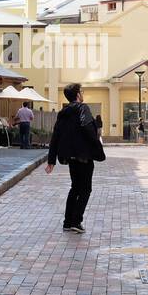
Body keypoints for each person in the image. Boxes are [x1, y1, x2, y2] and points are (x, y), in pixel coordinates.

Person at [44, 82, 105, 233]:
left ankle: (67, 222)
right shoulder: (83, 108)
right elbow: (88, 129)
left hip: (70, 157)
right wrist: (97, 139)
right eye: (82, 91)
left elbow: (55, 136)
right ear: (78, 95)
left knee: (75, 188)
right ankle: (76, 221)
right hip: (84, 156)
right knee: (85, 189)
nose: (83, 94)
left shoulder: (63, 113)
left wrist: (51, 160)